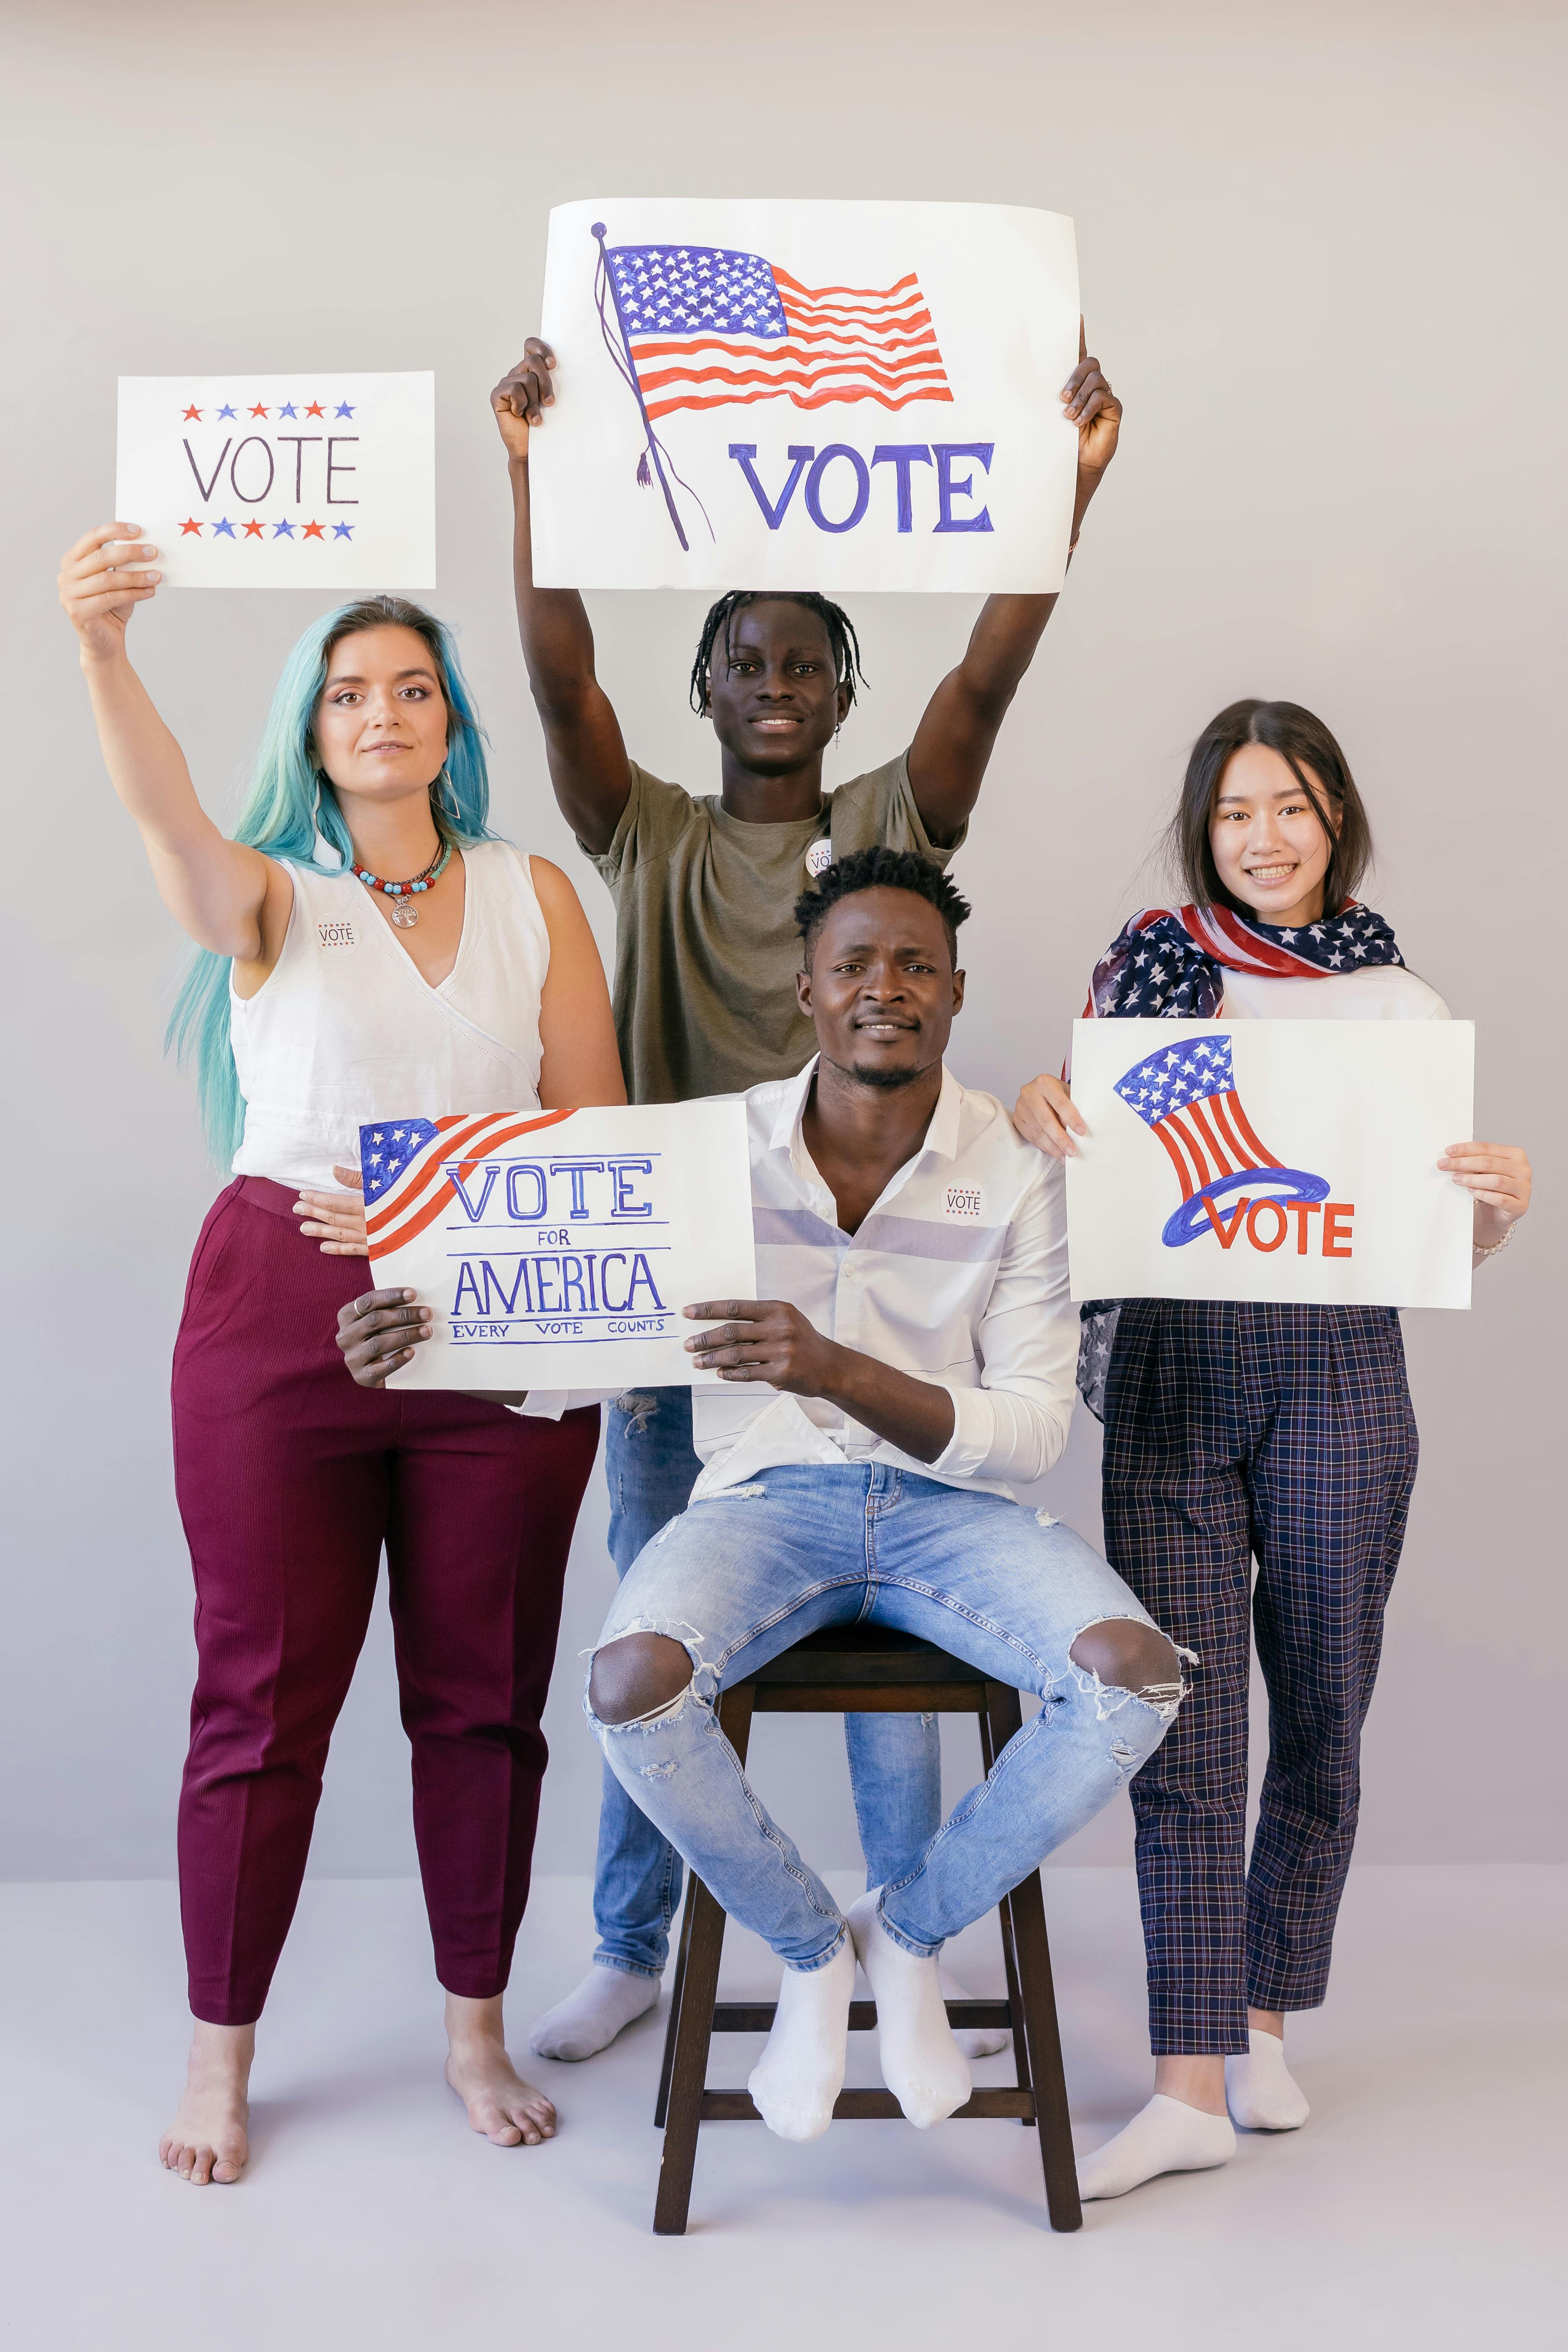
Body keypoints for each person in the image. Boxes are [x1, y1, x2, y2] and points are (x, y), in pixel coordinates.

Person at [488, 326, 1126, 2064]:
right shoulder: (656, 834)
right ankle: (632, 1941)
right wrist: (534, 466)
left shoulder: (875, 828)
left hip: (875, 1264)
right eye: (745, 662)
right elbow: (557, 686)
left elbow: (983, 692)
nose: (776, 681)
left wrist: (1066, 486)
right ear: (710, 691)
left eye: (806, 663)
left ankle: (907, 1939)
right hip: (683, 1290)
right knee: (657, 1597)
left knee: (890, 1562)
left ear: (841, 693)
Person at [340, 849, 1187, 2141]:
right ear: (807, 990)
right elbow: (584, 1336)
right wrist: (432, 1335)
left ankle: (907, 1929)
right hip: (760, 1507)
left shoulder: (1018, 1171)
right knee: (627, 1682)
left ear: (957, 991)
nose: (883, 987)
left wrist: (838, 1367)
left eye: (914, 964)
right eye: (854, 964)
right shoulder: (707, 1156)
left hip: (947, 1511)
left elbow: (1030, 1428)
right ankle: (809, 1949)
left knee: (1136, 1673)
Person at [58, 527, 625, 2186]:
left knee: (484, 1703)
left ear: (454, 724)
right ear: (312, 729)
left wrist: (456, 1227)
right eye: (350, 693)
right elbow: (166, 819)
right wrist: (104, 652)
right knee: (262, 1699)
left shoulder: (535, 894)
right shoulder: (269, 893)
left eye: (415, 689)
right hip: (280, 1311)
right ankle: (219, 2059)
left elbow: (591, 1125)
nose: (383, 712)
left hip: (499, 1314)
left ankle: (475, 2031)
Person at [1012, 698, 1534, 2199]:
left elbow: (1431, 1243)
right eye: (1238, 811)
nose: (1265, 837)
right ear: (1205, 826)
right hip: (1178, 1363)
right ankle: (1186, 2083)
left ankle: (1261, 2017)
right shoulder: (1146, 977)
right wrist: (1051, 1104)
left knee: (1323, 1707)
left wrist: (1495, 1209)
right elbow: (1093, 1184)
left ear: (1337, 819)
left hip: (1339, 1373)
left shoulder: (1399, 1008)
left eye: (1292, 807)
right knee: (1181, 1715)